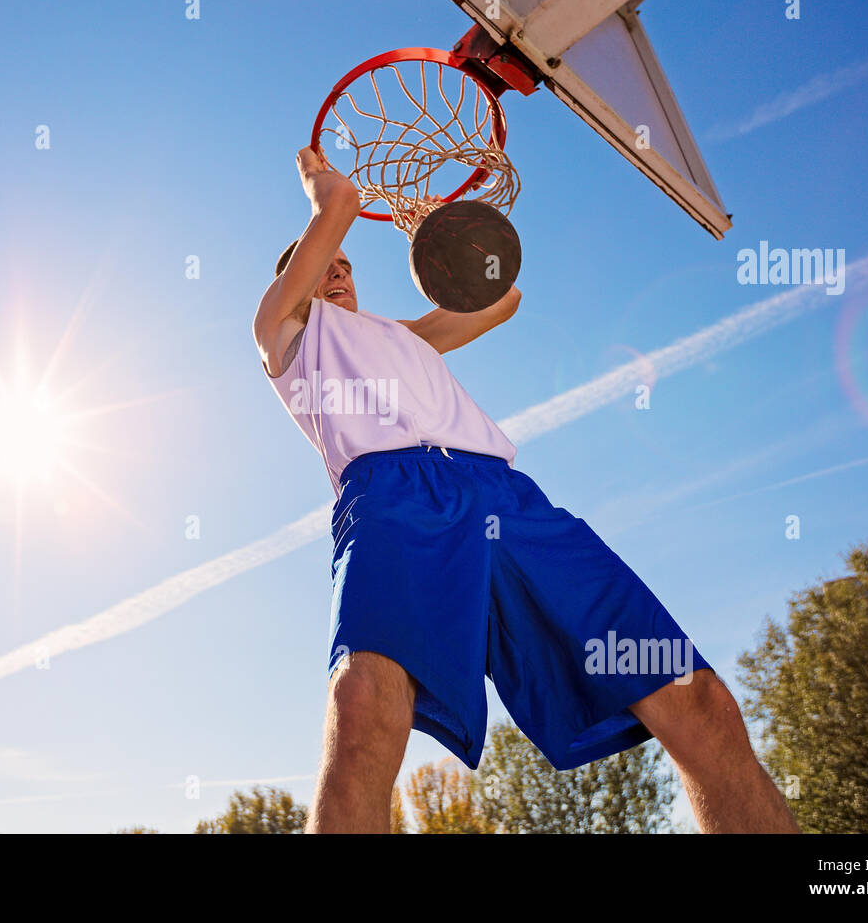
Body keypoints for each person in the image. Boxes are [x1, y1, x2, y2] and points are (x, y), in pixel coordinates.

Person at [252, 146, 798, 834]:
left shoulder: (408, 336)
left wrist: (437, 233)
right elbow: (337, 209)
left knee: (700, 701)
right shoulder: (284, 336)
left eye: (345, 267)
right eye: (320, 264)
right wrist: (321, 193)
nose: (336, 272)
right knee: (365, 700)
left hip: (504, 497)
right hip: (395, 502)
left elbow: (502, 296)